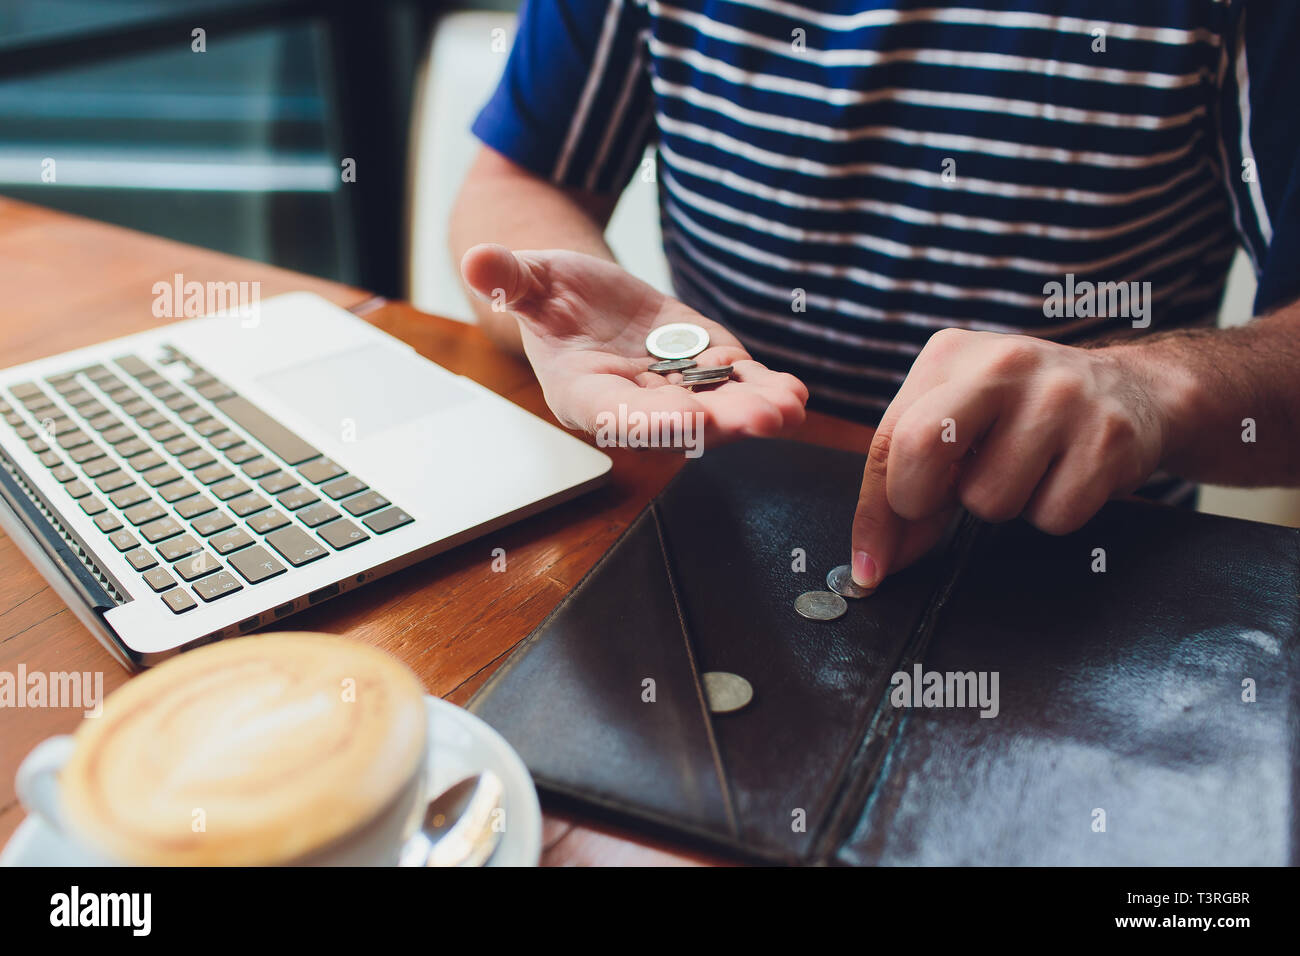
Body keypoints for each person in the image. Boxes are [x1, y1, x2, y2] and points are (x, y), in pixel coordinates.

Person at [449, 0, 1300, 590]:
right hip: (709, 531)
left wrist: (1154, 390)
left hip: (1079, 578)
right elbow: (520, 177)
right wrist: (546, 295)